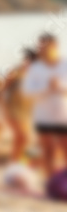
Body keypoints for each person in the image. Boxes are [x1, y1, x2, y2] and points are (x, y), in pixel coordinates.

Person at [23, 33, 67, 178]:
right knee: (48, 151)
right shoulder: (36, 68)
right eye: (40, 47)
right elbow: (27, 91)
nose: (41, 50)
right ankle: (51, 182)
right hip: (43, 117)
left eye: (45, 46)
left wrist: (59, 85)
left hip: (63, 116)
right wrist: (46, 87)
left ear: (55, 46)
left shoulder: (65, 64)